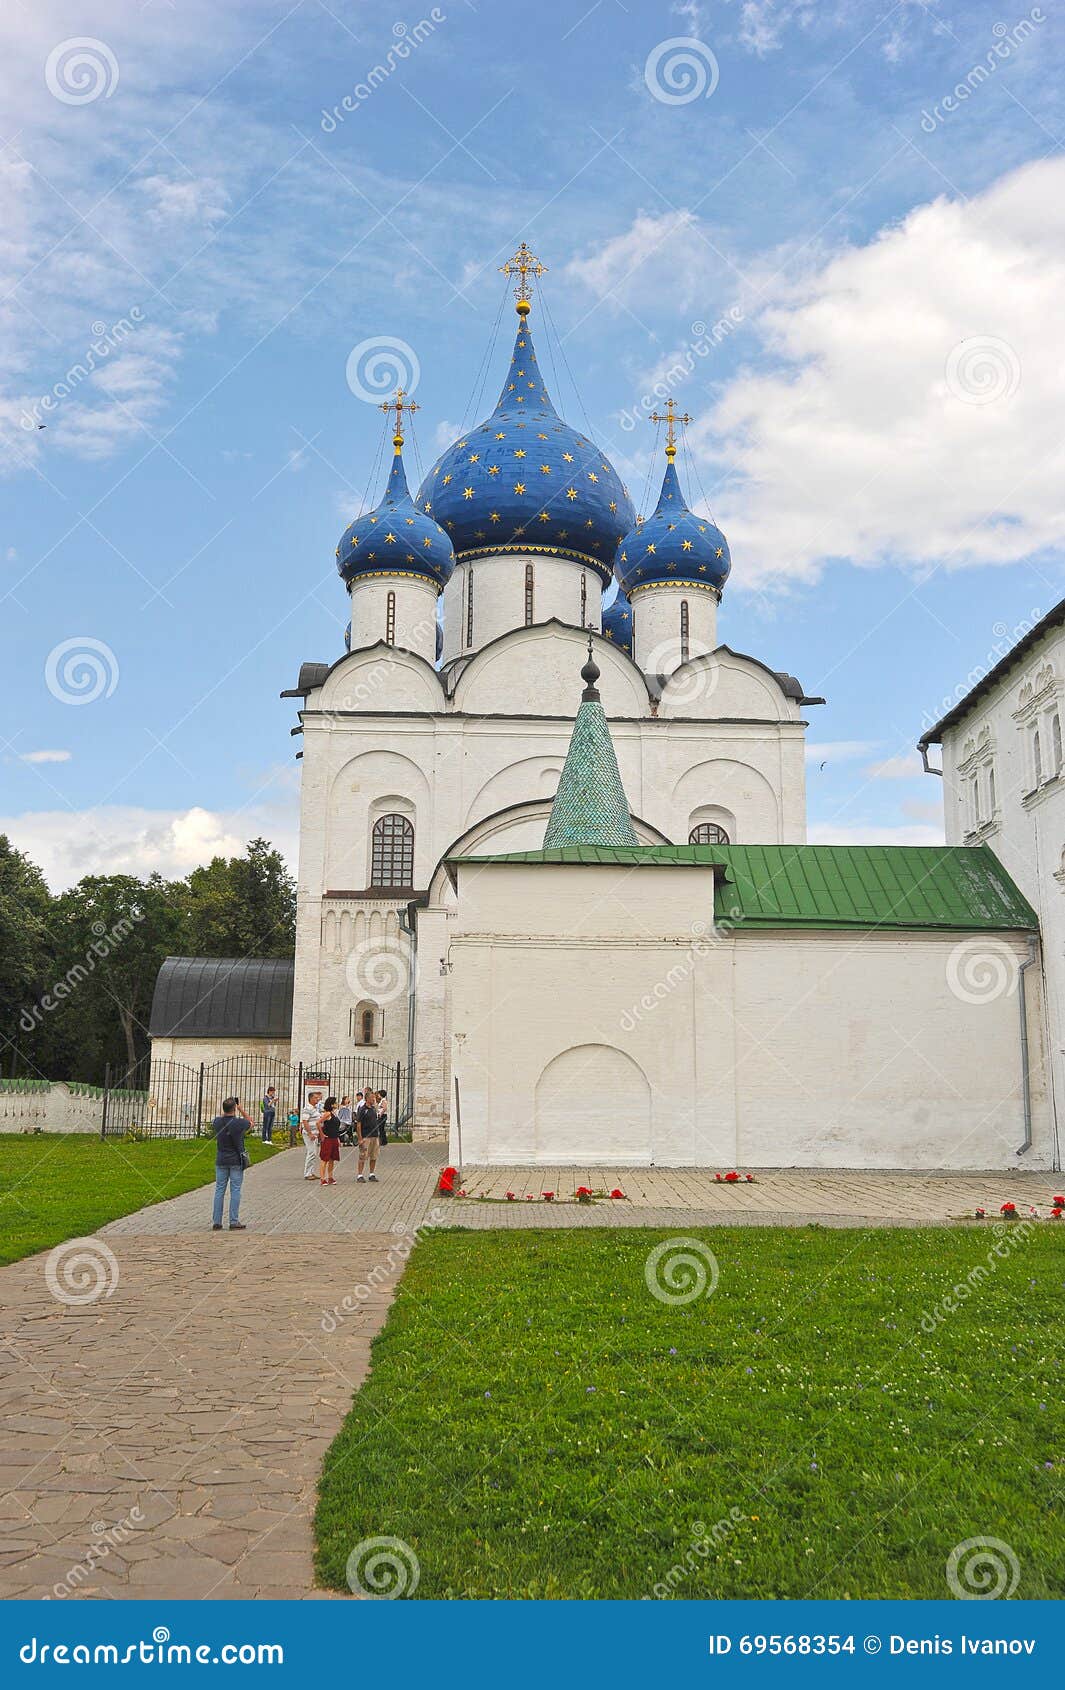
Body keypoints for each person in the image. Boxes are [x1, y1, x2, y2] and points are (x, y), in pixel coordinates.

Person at [212, 1096, 248, 1231]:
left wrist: (228, 1109)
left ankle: (217, 1221)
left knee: (219, 1190)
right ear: (234, 1108)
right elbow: (251, 1122)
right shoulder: (239, 1123)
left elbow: (220, 1118)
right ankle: (233, 1221)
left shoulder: (217, 1122)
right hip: (235, 1160)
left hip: (221, 1159)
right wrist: (240, 1109)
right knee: (235, 1190)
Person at [356, 1089, 382, 1183]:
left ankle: (371, 1174)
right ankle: (360, 1175)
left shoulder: (373, 1108)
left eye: (374, 1098)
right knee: (363, 1156)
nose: (373, 1099)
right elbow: (358, 1124)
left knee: (374, 1156)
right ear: (367, 1099)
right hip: (366, 1136)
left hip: (375, 1135)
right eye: (372, 1098)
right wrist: (360, 1138)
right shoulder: (363, 1109)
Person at [318, 1096, 342, 1186]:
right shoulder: (327, 1114)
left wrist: (338, 1138)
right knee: (325, 1159)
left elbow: (335, 1128)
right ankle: (322, 1178)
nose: (337, 1104)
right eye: (335, 1103)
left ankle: (330, 1177)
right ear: (331, 1104)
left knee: (332, 1159)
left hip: (334, 1138)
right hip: (328, 1139)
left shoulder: (334, 1114)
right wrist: (322, 1134)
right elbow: (318, 1123)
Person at [301, 1091, 323, 1180]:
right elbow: (305, 1121)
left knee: (314, 1153)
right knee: (311, 1152)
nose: (317, 1099)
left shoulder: (315, 1108)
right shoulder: (307, 1108)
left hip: (315, 1134)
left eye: (318, 1098)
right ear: (310, 1099)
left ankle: (311, 1172)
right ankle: (307, 1173)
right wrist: (310, 1133)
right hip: (309, 1134)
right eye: (315, 1098)